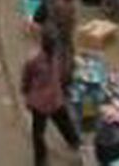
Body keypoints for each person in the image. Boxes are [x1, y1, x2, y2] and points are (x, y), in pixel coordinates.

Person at [21, 30, 81, 166]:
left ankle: (73, 142)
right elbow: (26, 77)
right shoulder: (36, 60)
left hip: (50, 100)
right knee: (42, 131)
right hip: (45, 102)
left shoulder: (53, 57)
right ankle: (42, 158)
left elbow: (26, 79)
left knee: (58, 123)